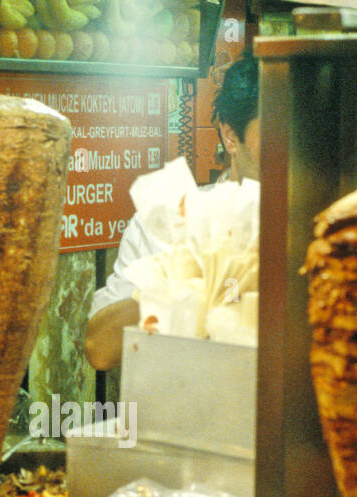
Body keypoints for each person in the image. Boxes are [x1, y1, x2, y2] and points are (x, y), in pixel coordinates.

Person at [85, 54, 261, 371]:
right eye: (274, 133)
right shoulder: (171, 223)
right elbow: (100, 348)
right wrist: (193, 275)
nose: (289, 150)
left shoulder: (320, 228)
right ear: (231, 135)